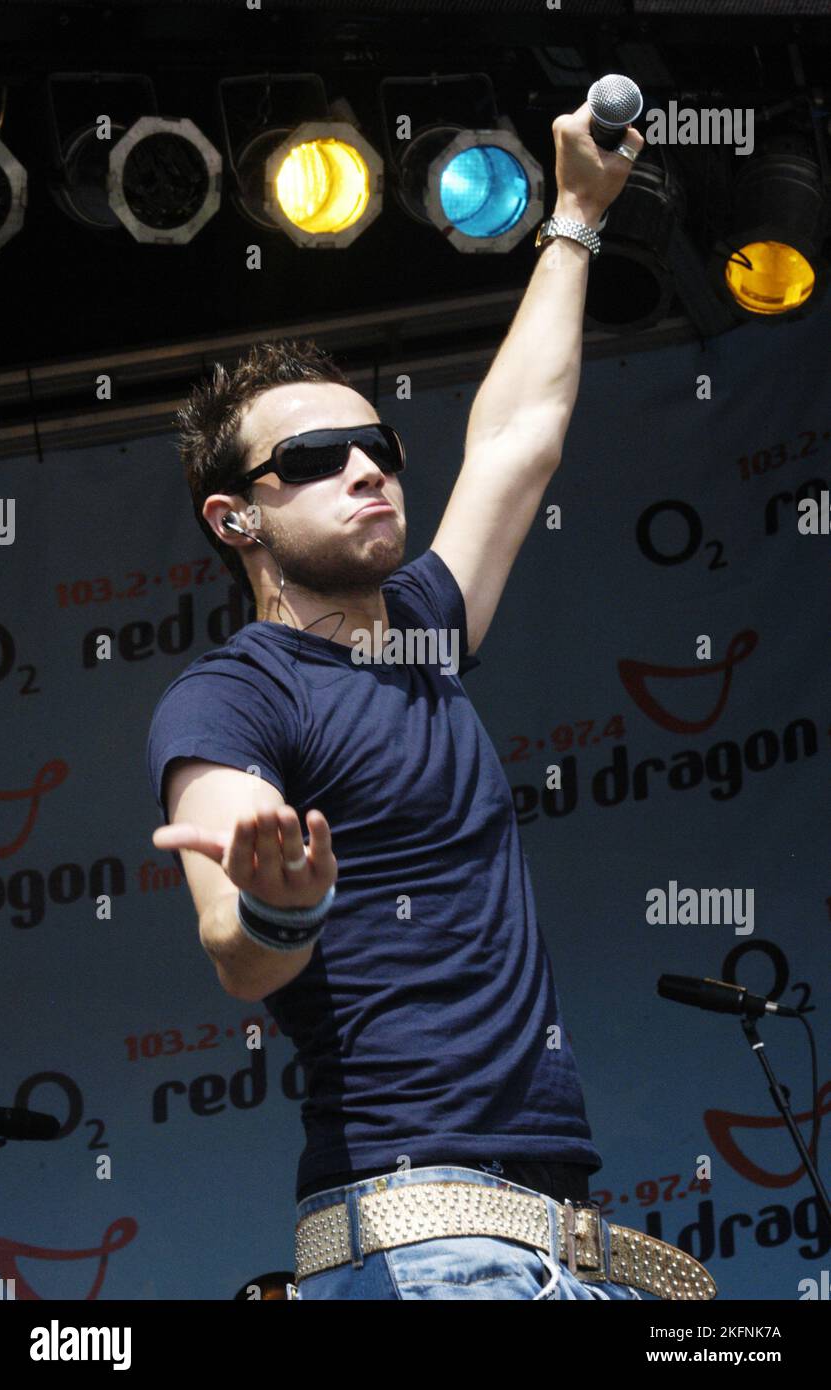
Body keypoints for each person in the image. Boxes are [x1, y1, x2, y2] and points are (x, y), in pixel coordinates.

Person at [147, 101, 715, 1301]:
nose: (363, 467)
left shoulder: (420, 632)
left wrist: (573, 216)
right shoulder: (232, 696)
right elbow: (232, 950)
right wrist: (281, 911)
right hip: (424, 1243)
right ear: (233, 518)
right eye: (312, 460)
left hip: (556, 1233)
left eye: (377, 446)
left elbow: (517, 436)